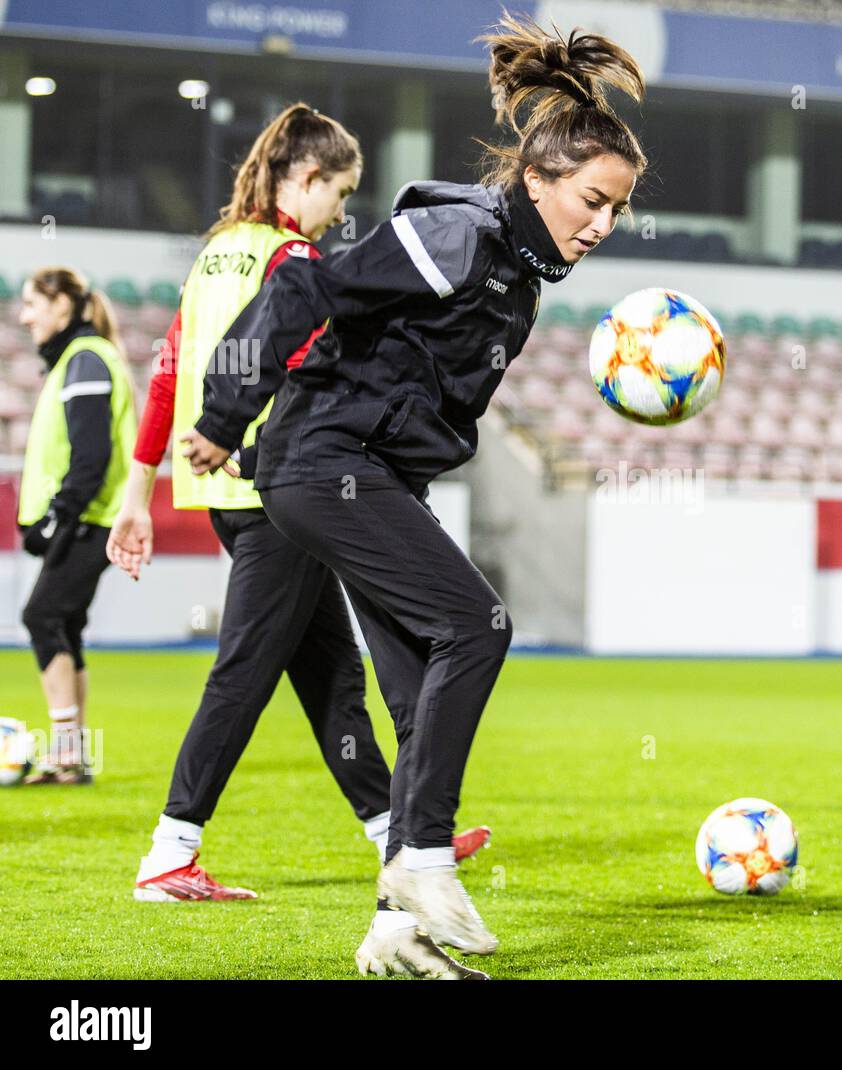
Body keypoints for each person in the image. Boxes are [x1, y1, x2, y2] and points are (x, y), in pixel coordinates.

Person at [181, 13, 646, 979]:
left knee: (417, 687)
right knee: (476, 627)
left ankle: (398, 935)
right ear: (538, 181)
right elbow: (304, 285)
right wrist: (226, 414)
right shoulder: (462, 238)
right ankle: (424, 861)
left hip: (369, 475)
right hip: (316, 463)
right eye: (593, 200)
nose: (602, 224)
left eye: (617, 210)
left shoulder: (519, 278)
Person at [105, 103, 490, 907]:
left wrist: (138, 495)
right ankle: (169, 850)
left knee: (329, 678)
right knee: (244, 671)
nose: (345, 213)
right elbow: (308, 376)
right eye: (342, 192)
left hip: (223, 492)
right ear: (306, 178)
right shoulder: (295, 259)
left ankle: (398, 832)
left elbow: (173, 371)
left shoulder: (213, 254)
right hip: (279, 485)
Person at [16, 269, 136, 785]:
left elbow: (91, 456)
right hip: (93, 516)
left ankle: (67, 756)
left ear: (62, 305)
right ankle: (72, 756)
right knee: (63, 624)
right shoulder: (82, 357)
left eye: (31, 305)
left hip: (90, 517)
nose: (24, 317)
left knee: (42, 617)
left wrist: (56, 517)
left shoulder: (85, 359)